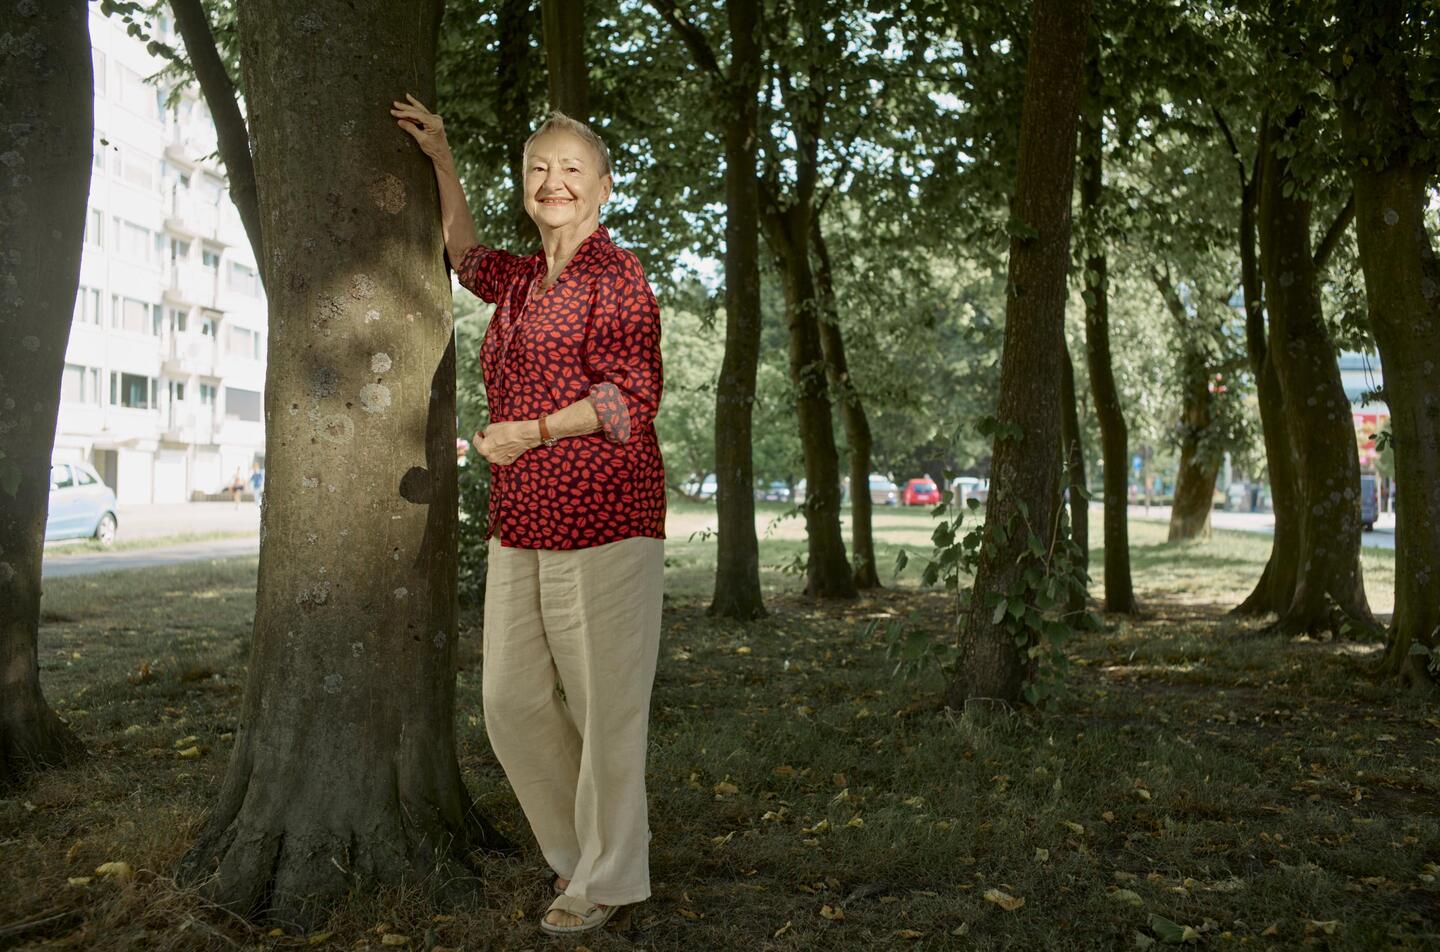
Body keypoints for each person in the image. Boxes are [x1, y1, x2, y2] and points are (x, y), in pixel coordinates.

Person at [392, 94, 666, 937]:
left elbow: (632, 400)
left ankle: (612, 877)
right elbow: (463, 252)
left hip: (606, 517)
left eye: (572, 169)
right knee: (510, 702)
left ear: (604, 187)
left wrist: (531, 431)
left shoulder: (616, 276)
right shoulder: (519, 278)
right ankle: (576, 855)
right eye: (538, 168)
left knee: (603, 710)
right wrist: (440, 155)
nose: (554, 181)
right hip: (520, 520)